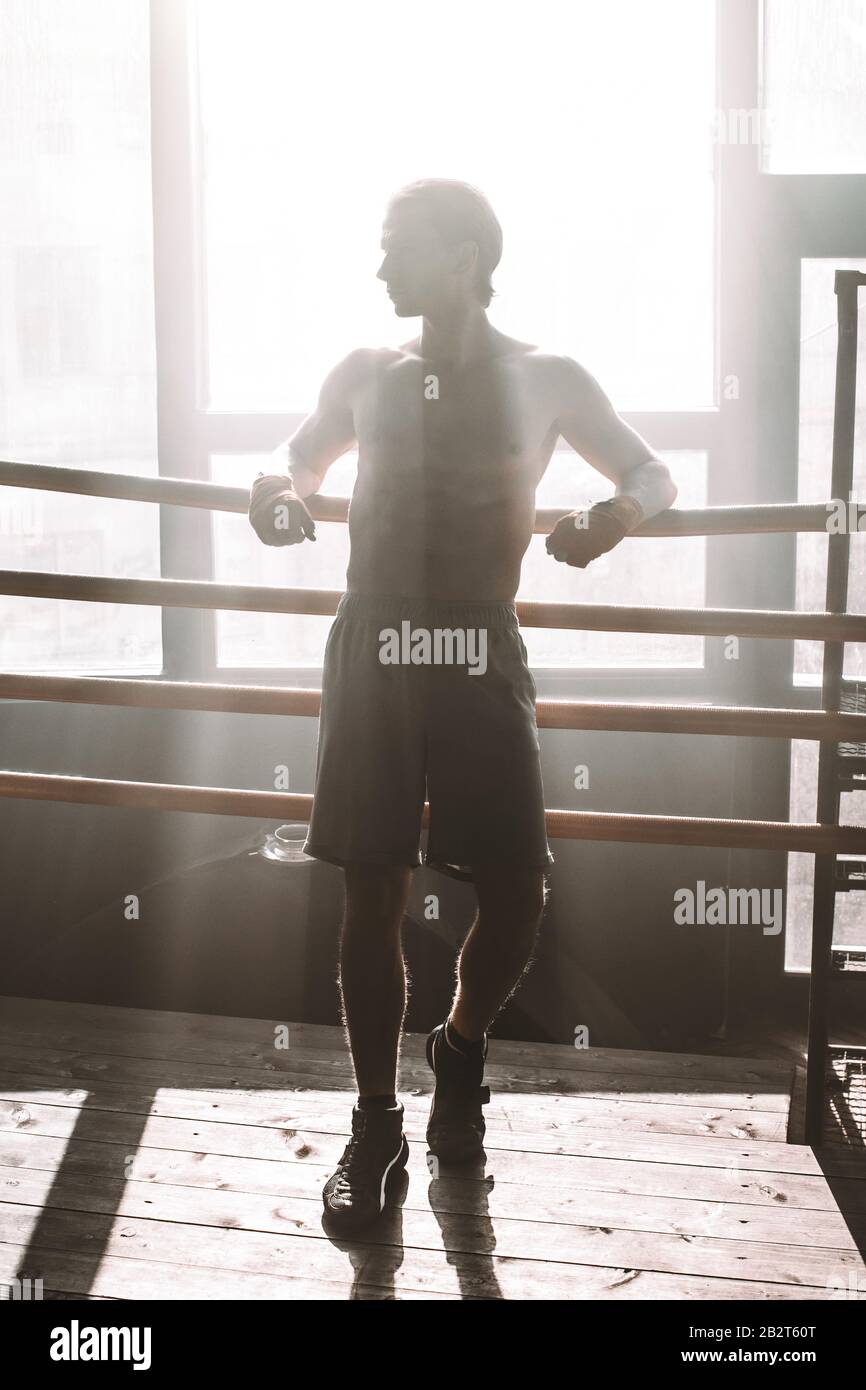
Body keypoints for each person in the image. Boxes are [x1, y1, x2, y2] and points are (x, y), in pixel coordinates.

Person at [248, 178, 677, 1233]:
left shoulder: (545, 375)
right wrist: (277, 494)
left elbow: (653, 470)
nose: (379, 266)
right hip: (374, 638)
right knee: (370, 889)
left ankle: (459, 1046)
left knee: (519, 886)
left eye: (396, 245)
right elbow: (291, 453)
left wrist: (615, 514)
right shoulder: (365, 371)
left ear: (463, 256)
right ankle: (374, 1122)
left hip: (478, 639)